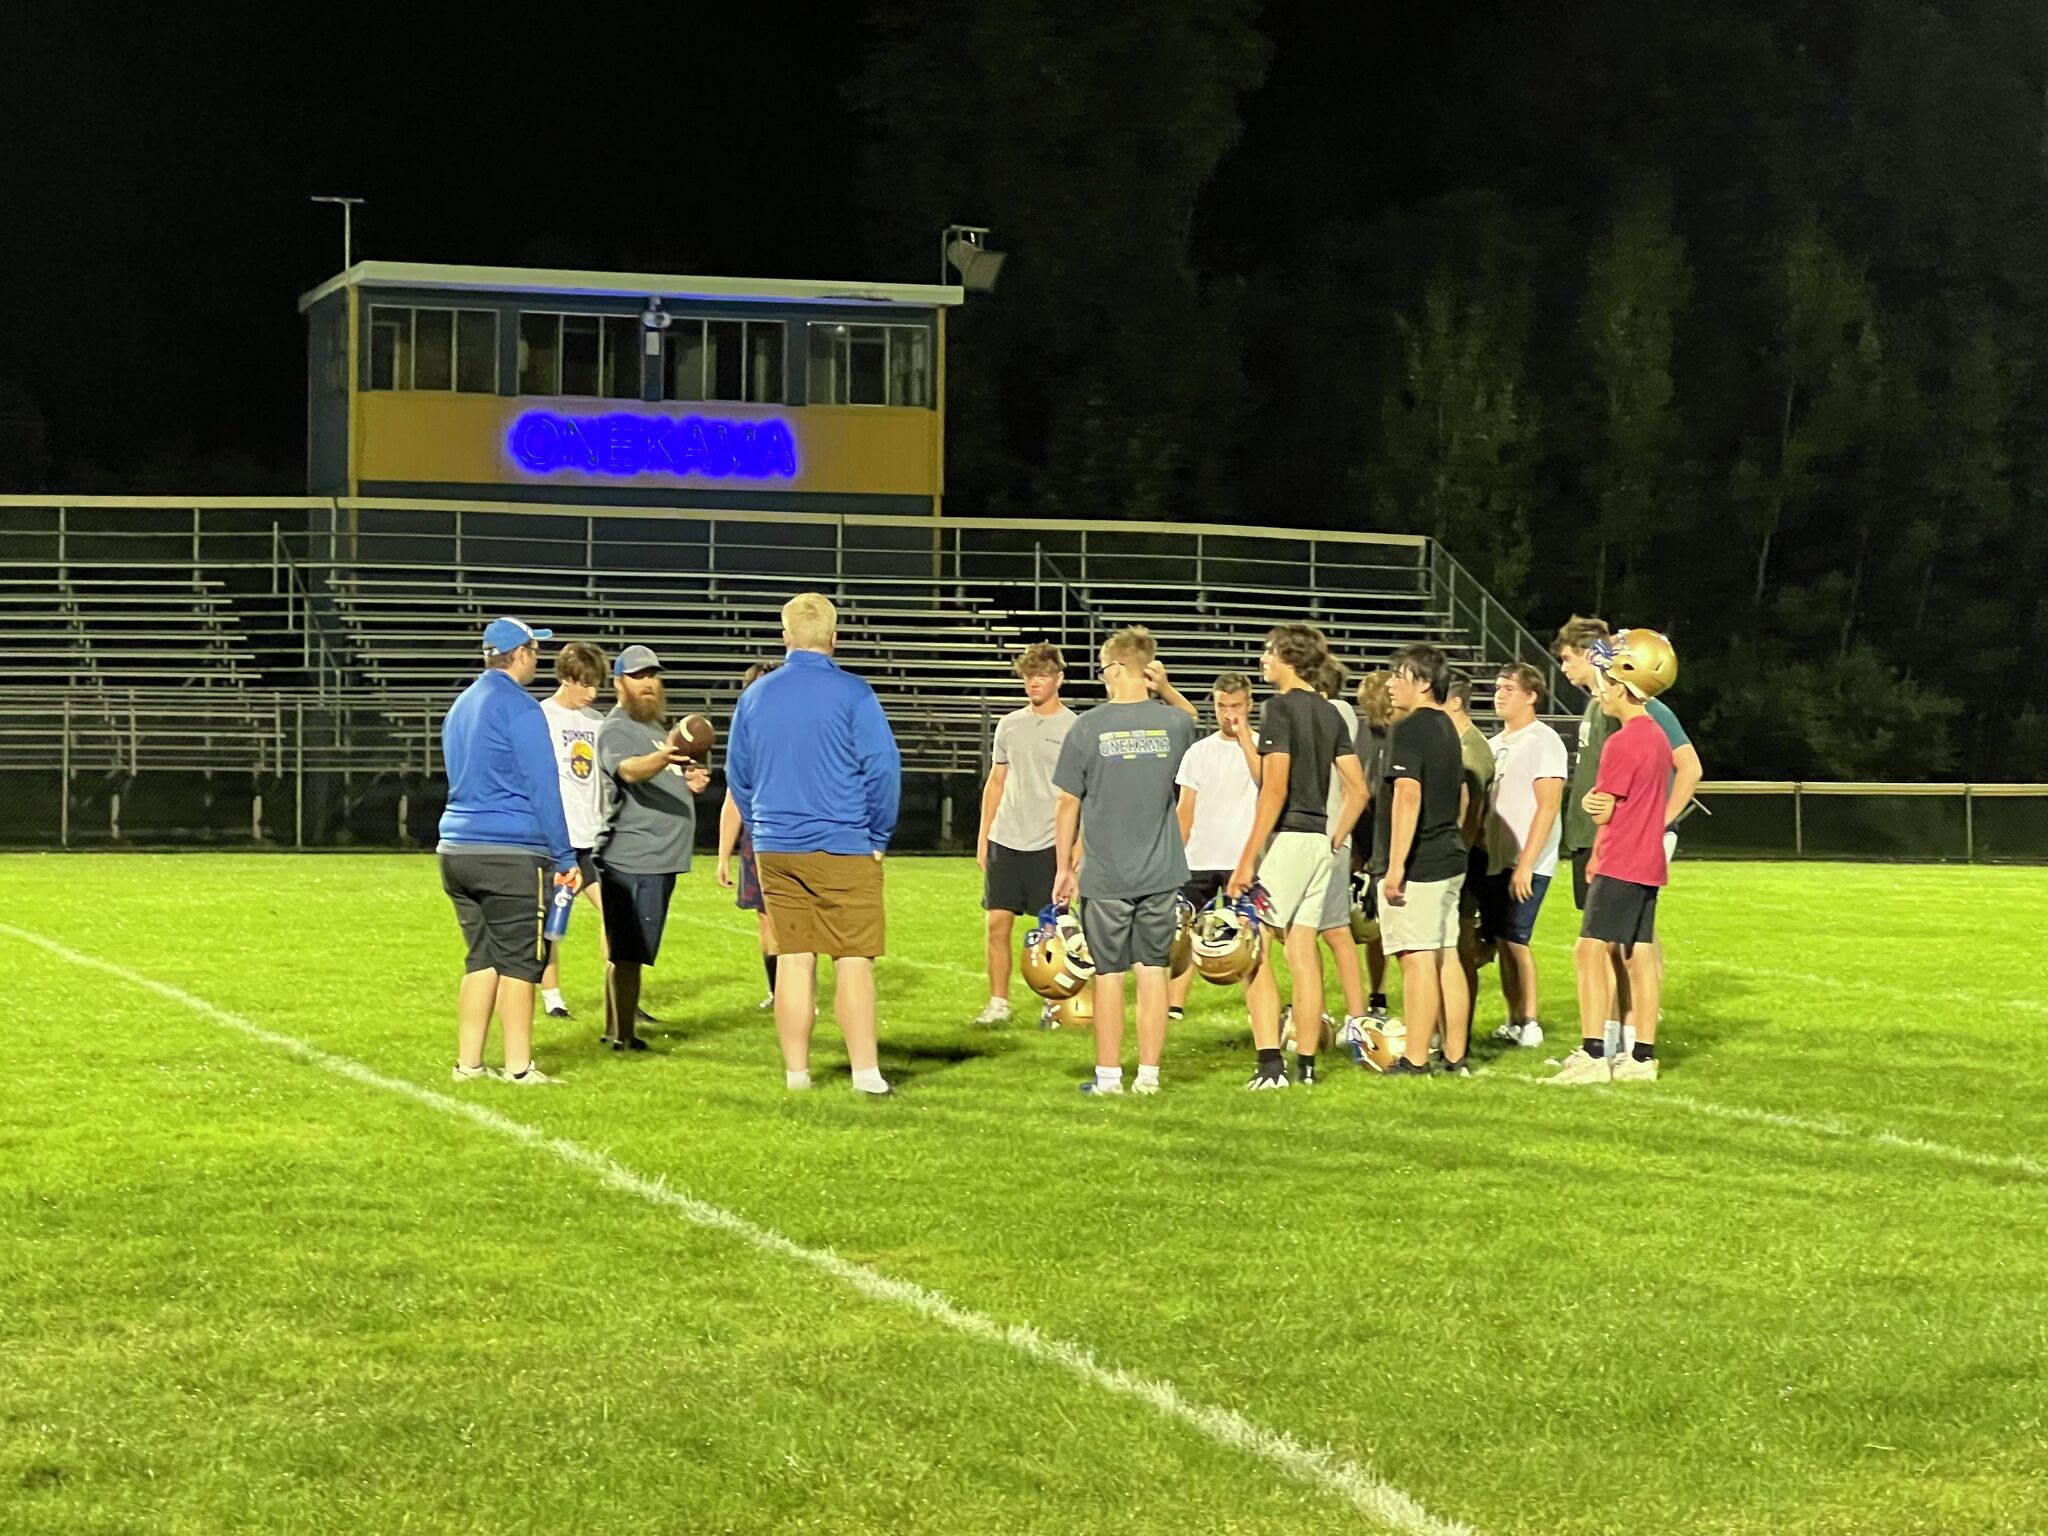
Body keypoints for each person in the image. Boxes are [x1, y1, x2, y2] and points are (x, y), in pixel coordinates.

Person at [726, 593, 902, 1096]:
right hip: (844, 841)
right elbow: (883, 769)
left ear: (786, 637)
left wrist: (763, 826)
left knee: (794, 958)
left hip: (777, 845)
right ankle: (866, 1074)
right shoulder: (854, 692)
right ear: (834, 637)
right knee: (852, 959)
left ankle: (797, 1075)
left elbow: (739, 776)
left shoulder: (755, 697)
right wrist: (878, 834)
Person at [1051, 626, 1199, 1095]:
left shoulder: (1087, 726)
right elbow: (1192, 720)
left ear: (1114, 668)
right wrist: (1166, 688)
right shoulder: (1173, 725)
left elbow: (1067, 804)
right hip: (1160, 872)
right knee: (1153, 970)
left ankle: (1109, 1077)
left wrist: (1062, 867)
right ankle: (1149, 1077)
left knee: (1110, 974)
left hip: (1107, 872)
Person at [437, 617, 579, 1086]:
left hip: (456, 848)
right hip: (510, 851)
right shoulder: (521, 708)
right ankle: (519, 1067)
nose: (537, 659)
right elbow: (543, 786)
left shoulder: (460, 705)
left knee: (481, 959)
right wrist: (565, 856)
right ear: (519, 654)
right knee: (520, 962)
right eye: (535, 651)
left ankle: (469, 1064)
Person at [1227, 624, 1367, 1089]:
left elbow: (1275, 789)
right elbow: (1359, 790)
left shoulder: (1279, 708)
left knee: (1256, 950)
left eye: (1268, 651)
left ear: (1287, 656)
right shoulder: (1330, 713)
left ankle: (1270, 1065)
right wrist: (1334, 838)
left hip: (1288, 842)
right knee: (1304, 951)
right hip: (1319, 845)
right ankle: (1305, 1064)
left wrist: (1248, 858)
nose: (1263, 659)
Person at [1546, 657, 1673, 1085]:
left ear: (1622, 687)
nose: (1599, 690)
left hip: (1623, 857)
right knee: (1638, 955)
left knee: (1589, 951)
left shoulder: (1623, 741)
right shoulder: (1655, 736)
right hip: (1648, 857)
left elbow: (1604, 808)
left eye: (1605, 682)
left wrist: (1593, 810)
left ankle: (1593, 1053)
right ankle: (1641, 1058)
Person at [594, 645, 711, 1051]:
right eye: (638, 676)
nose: (648, 683)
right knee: (628, 953)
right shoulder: (618, 728)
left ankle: (617, 1031)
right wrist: (663, 757)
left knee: (629, 952)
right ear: (619, 683)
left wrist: (687, 781)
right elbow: (628, 770)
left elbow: (662, 774)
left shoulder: (655, 728)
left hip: (657, 857)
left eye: (653, 676)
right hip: (634, 856)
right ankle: (623, 1036)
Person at [1361, 643, 1470, 1077]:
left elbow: (1408, 795)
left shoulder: (1409, 731)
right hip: (1448, 855)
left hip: (1421, 862)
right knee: (1447, 956)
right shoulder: (1447, 726)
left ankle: (1417, 1057)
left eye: (1399, 676)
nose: (1390, 684)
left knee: (1416, 957)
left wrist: (1396, 866)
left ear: (1423, 682)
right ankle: (1456, 1055)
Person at [974, 643, 1076, 1026]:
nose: (1034, 682)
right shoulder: (1009, 724)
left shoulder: (1073, 727)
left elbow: (1080, 792)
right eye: (1029, 675)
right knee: (997, 923)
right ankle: (998, 1002)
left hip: (1050, 842)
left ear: (1059, 679)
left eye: (1042, 675)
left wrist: (1075, 847)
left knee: (1052, 929)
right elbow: (996, 780)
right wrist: (984, 835)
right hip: (1007, 837)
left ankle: (1054, 1002)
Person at [1168, 671, 1261, 1024]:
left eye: (1236, 706)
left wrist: (1246, 741)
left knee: (1248, 936)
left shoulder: (1262, 747)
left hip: (1243, 859)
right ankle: (1174, 1006)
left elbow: (1265, 783)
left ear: (1249, 705)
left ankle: (1257, 1008)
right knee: (1183, 932)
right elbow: (1184, 810)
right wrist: (1175, 856)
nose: (1229, 714)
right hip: (1200, 858)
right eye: (1223, 706)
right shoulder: (1198, 753)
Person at [1484, 664, 1568, 1047]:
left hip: (1527, 858)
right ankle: (1513, 1017)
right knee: (1502, 939)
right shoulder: (1495, 743)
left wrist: (1528, 862)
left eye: (1510, 688)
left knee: (1517, 937)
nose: (1500, 694)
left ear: (1532, 695)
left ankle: (1530, 1019)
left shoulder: (1544, 740)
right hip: (1498, 856)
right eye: (1498, 687)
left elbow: (1548, 806)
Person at [537, 641, 609, 1020]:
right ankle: (553, 999)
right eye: (585, 683)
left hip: (592, 839)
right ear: (566, 678)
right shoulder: (541, 717)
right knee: (553, 921)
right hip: (555, 841)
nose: (593, 693)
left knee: (617, 916)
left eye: (597, 684)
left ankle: (619, 993)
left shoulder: (598, 723)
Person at [1308, 657, 1372, 1047]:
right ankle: (1316, 1010)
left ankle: (1356, 1016)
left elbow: (1350, 785)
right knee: (1306, 933)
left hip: (1328, 834)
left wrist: (1340, 834)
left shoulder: (1335, 711)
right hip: (1319, 834)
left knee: (1334, 930)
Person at [716, 661, 784, 1010]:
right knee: (765, 918)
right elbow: (733, 797)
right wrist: (723, 855)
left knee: (795, 917)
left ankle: (797, 988)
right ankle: (778, 992)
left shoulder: (792, 733)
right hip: (757, 839)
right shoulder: (745, 738)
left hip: (792, 834)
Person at [1442, 671, 1498, 1049]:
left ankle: (1459, 1032)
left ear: (1456, 702)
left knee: (1461, 944)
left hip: (1468, 856)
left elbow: (1473, 809)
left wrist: (1457, 854)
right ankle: (1445, 1027)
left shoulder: (1471, 747)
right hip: (1461, 852)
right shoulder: (1456, 741)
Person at [1352, 670, 1398, 1023]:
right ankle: (1377, 992)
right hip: (1368, 835)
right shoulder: (1361, 734)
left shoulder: (1404, 734)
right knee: (1371, 923)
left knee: (1398, 924)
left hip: (1394, 836)